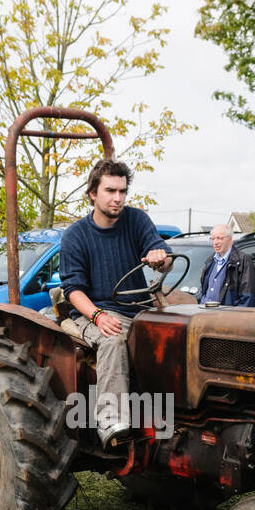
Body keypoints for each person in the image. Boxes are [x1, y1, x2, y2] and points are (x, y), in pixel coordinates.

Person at [59, 158, 169, 449]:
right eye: (110, 190)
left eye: (122, 191)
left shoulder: (136, 220)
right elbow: (73, 290)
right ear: (93, 193)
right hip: (92, 311)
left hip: (137, 308)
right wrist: (97, 316)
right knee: (114, 338)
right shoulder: (76, 236)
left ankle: (173, 417)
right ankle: (110, 421)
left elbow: (163, 256)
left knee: (175, 333)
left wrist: (161, 259)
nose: (117, 198)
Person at [198, 224, 255, 306]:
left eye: (220, 238)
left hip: (227, 316)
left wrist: (233, 318)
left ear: (230, 239)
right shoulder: (210, 261)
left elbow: (247, 299)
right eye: (213, 239)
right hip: (206, 315)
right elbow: (204, 292)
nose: (215, 242)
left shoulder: (243, 261)